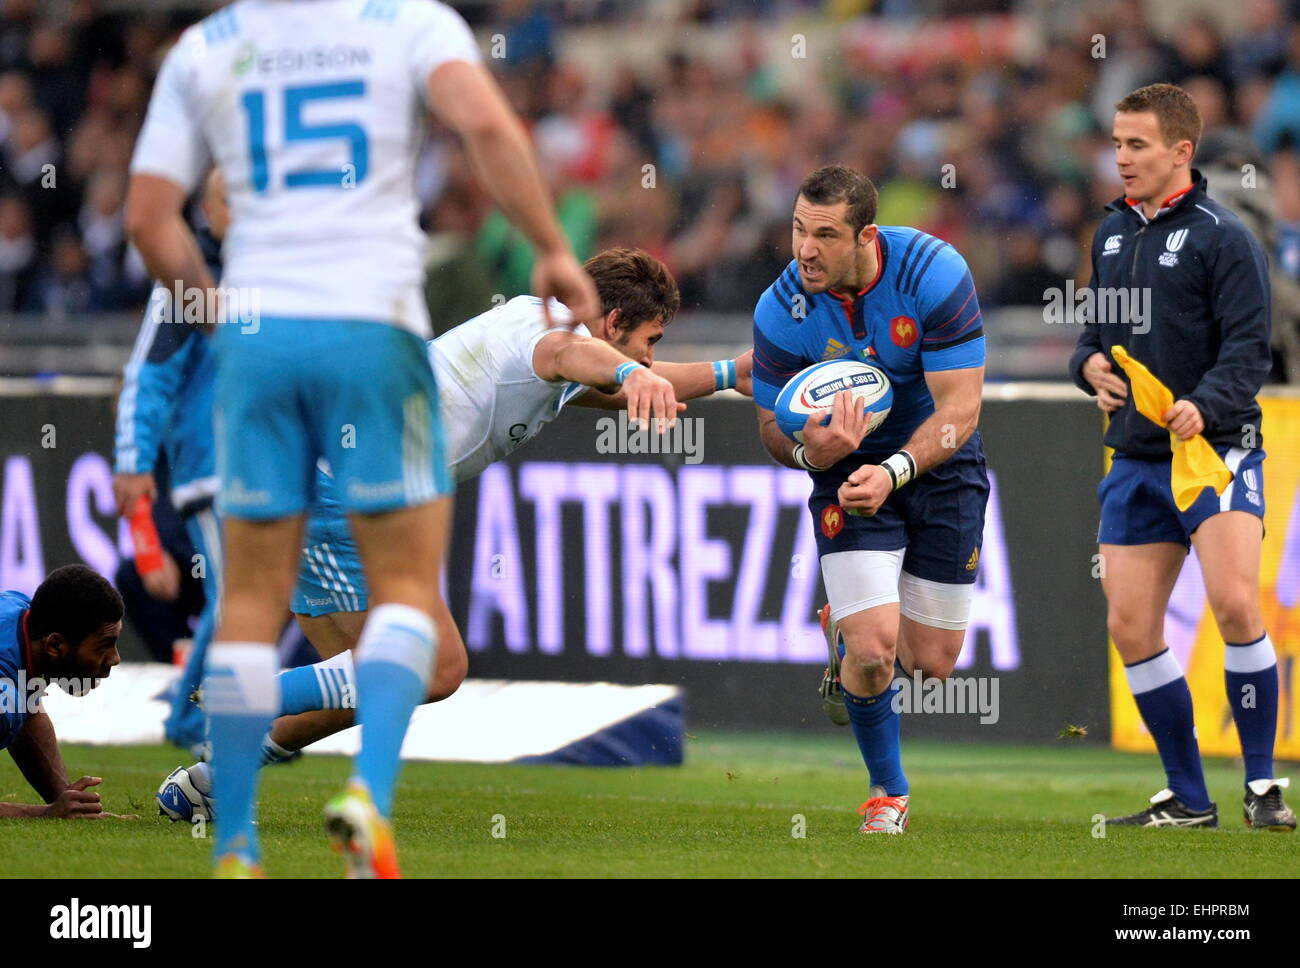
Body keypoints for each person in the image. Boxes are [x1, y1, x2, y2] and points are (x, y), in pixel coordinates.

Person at [125, 0, 616, 879]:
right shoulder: (410, 25)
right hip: (373, 339)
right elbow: (489, 125)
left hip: (263, 344)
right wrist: (547, 243)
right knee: (407, 605)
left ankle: (235, 842)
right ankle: (367, 805)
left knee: (251, 598)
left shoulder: (207, 47)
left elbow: (147, 218)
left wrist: (216, 311)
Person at [158, 247, 750, 789]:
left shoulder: (542, 324)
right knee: (436, 665)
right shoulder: (557, 338)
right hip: (347, 492)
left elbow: (604, 382)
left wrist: (728, 375)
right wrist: (630, 371)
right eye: (649, 340)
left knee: (365, 687)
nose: (652, 355)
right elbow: (584, 359)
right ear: (614, 321)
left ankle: (209, 782)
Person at [1070, 83, 1294, 831]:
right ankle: (1188, 797)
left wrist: (1206, 403)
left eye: (1136, 144)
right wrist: (1089, 369)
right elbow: (1093, 334)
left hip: (1216, 448)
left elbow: (1248, 350)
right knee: (1132, 627)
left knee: (1234, 604)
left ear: (1181, 152)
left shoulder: (1223, 236)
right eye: (1117, 142)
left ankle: (1263, 787)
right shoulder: (1108, 235)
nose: (1121, 157)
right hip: (1135, 456)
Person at [751, 165, 987, 834]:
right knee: (877, 650)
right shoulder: (780, 306)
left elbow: (960, 408)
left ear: (866, 236)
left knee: (932, 663)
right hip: (844, 469)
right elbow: (771, 426)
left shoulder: (934, 274)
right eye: (798, 229)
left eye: (824, 234)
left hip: (934, 458)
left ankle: (841, 629)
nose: (805, 250)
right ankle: (889, 793)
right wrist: (810, 455)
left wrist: (898, 469)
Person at [113, 168, 226, 755]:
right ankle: (194, 718)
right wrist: (131, 460)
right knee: (239, 598)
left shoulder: (276, 273)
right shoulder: (186, 283)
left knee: (261, 597)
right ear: (214, 210)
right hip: (211, 469)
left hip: (270, 462)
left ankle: (217, 714)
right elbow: (147, 376)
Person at [0, 565, 126, 819]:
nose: (115, 659)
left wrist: (66, 801)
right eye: (105, 646)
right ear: (55, 645)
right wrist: (45, 813)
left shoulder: (21, 614)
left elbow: (28, 710)